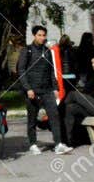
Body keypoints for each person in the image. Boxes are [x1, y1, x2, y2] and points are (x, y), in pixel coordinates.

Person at [15, 24, 65, 153]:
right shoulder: (27, 51)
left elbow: (51, 71)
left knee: (54, 115)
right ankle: (33, 144)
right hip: (32, 90)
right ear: (34, 36)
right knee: (32, 118)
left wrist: (55, 88)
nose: (42, 38)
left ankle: (58, 143)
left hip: (47, 89)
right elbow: (21, 70)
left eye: (44, 35)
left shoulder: (47, 51)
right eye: (39, 35)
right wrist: (28, 89)